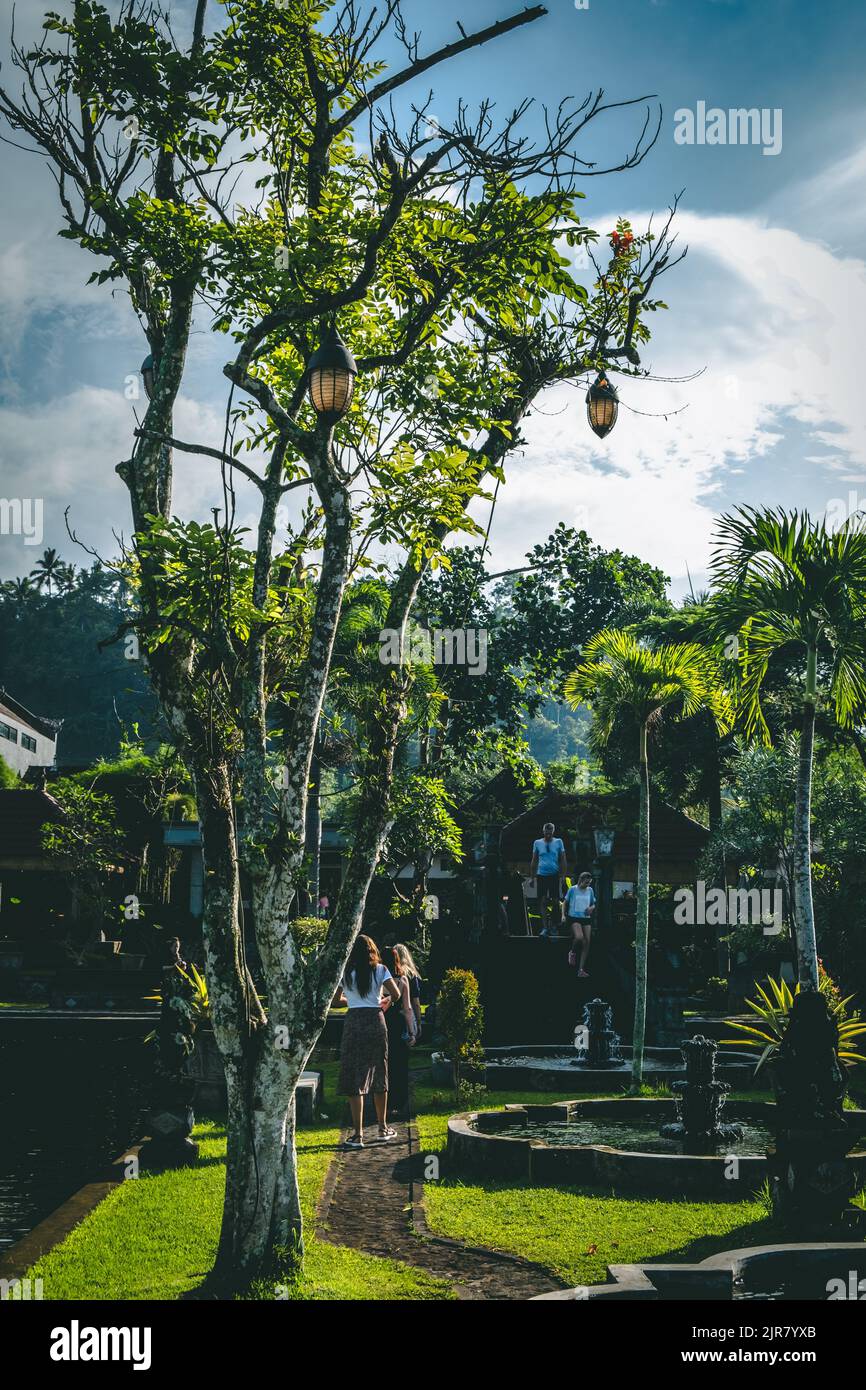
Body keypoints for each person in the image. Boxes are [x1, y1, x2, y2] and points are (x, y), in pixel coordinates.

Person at [337, 935, 402, 1148]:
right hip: (375, 1020)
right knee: (379, 1071)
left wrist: (352, 1000)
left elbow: (337, 1000)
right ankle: (383, 1128)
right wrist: (386, 1001)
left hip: (354, 1021)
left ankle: (358, 1134)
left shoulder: (345, 972)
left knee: (355, 1074)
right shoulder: (381, 970)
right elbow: (397, 993)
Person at [382, 944, 420, 1118]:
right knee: (400, 1064)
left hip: (381, 1022)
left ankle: (383, 1103)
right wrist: (413, 1030)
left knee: (383, 1064)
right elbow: (408, 1009)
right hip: (397, 1024)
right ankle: (398, 1103)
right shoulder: (402, 980)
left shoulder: (376, 979)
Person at [529, 822, 567, 937]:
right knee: (543, 901)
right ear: (543, 831)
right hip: (541, 875)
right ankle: (545, 927)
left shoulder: (558, 842)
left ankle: (554, 925)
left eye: (550, 832)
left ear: (553, 832)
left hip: (554, 875)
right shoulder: (537, 843)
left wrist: (563, 876)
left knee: (555, 901)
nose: (548, 834)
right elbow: (534, 860)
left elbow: (563, 859)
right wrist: (532, 877)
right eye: (546, 832)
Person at [563, 872, 596, 976]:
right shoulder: (573, 889)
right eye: (586, 882)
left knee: (587, 943)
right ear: (581, 880)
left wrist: (591, 908)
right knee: (579, 937)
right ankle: (572, 952)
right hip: (574, 917)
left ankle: (581, 970)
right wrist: (563, 915)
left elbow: (593, 903)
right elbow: (565, 902)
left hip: (586, 918)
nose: (587, 885)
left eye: (589, 883)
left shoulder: (590, 890)